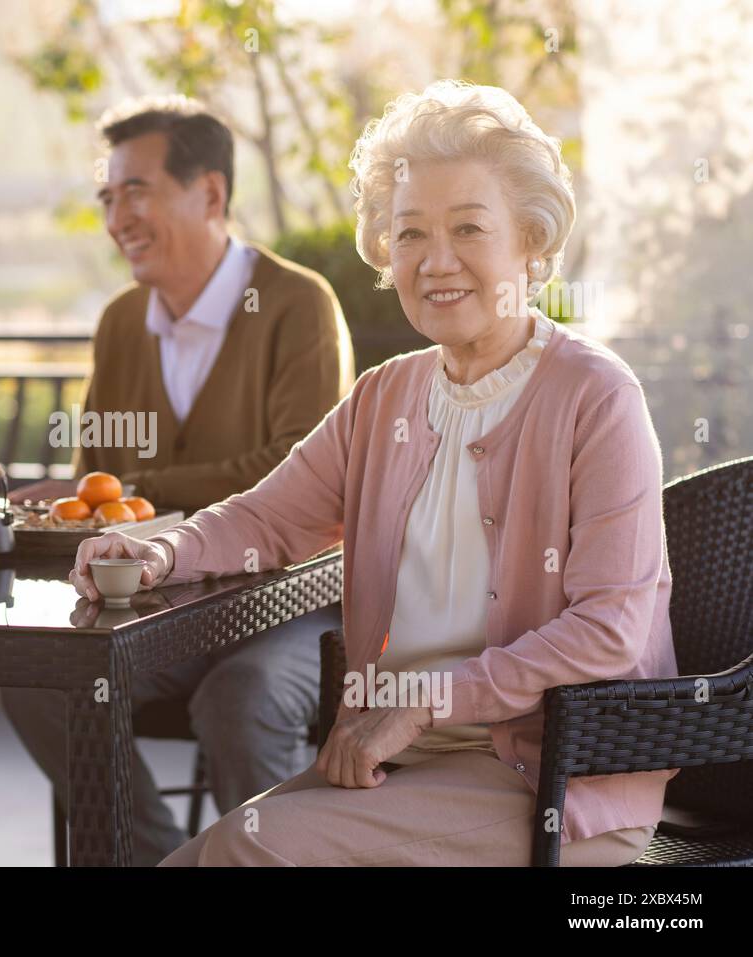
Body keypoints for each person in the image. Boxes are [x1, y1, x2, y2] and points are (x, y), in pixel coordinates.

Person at [73, 80, 679, 867]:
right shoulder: (385, 395)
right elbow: (267, 518)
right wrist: (162, 551)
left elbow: (608, 628)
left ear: (530, 242)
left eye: (469, 228)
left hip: (555, 786)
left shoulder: (596, 396)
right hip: (401, 761)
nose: (436, 260)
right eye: (409, 234)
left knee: (239, 856)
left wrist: (422, 705)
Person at [1, 96, 354, 865]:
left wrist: (142, 492)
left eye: (137, 189)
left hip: (290, 601)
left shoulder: (297, 306)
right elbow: (97, 478)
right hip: (164, 604)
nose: (116, 214)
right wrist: (72, 496)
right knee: (35, 677)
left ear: (213, 195)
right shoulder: (122, 321)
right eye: (107, 195)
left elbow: (295, 473)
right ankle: (155, 859)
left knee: (243, 698)